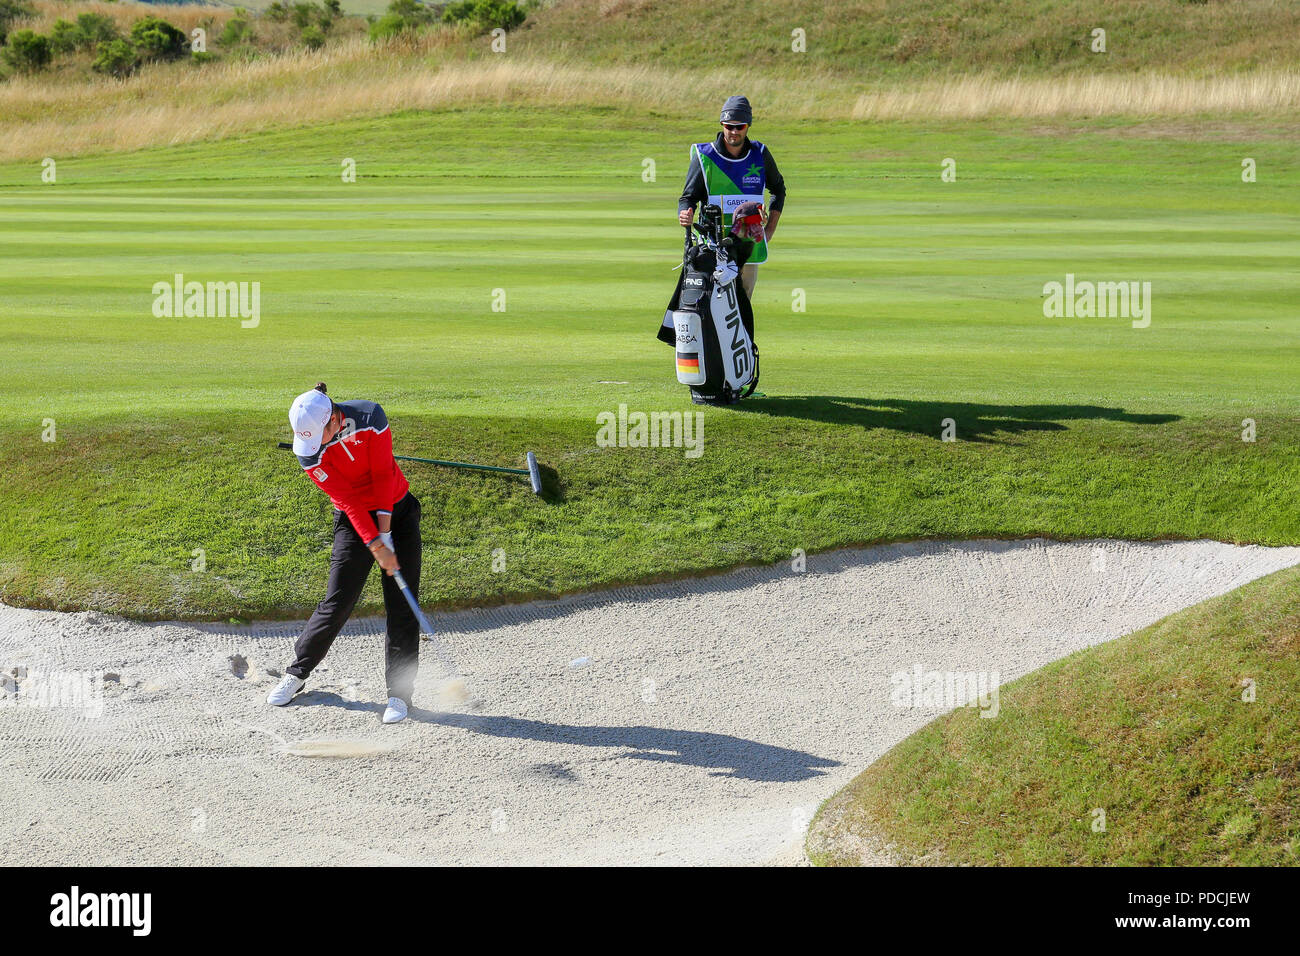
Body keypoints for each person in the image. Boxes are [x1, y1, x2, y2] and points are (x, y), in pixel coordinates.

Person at [266, 383, 422, 724]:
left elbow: (382, 475)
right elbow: (349, 500)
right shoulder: (307, 451)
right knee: (337, 600)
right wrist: (377, 543)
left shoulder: (370, 417)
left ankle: (399, 695)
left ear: (334, 420)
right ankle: (298, 672)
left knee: (402, 605)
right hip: (353, 521)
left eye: (317, 435)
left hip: (399, 509)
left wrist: (385, 532)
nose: (311, 445)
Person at [677, 95, 786, 300]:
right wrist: (684, 214)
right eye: (729, 126)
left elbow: (778, 190)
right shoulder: (704, 156)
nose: (734, 131)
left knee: (743, 303)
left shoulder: (760, 153)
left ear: (748, 126)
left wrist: (770, 229)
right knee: (711, 304)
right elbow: (687, 198)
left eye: (740, 126)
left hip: (749, 244)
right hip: (711, 244)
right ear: (722, 124)